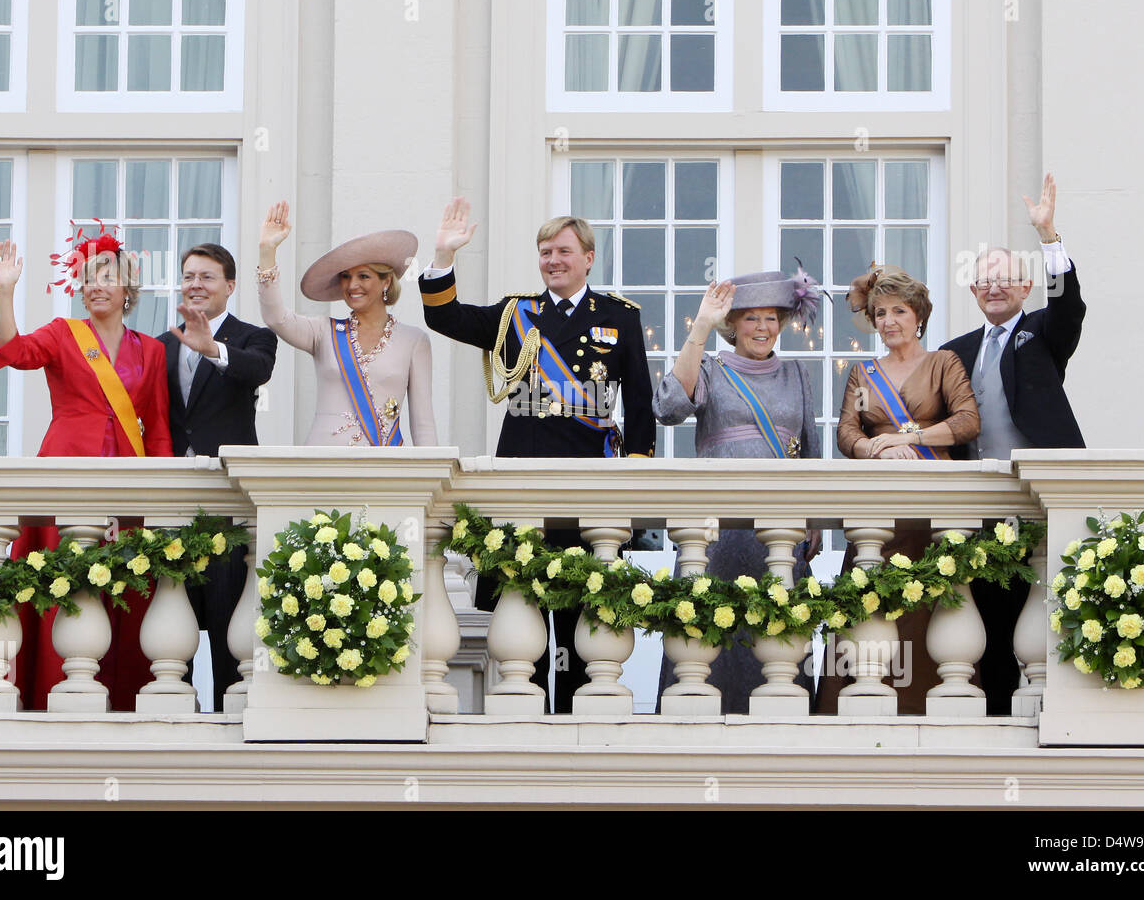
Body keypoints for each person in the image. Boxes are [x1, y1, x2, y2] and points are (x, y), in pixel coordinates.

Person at [418, 196, 656, 712]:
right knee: (521, 602)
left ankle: (577, 720)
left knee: (579, 610)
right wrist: (443, 258)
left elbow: (640, 404)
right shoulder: (515, 315)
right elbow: (446, 318)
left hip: (585, 485)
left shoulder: (619, 317)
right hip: (522, 481)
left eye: (564, 251)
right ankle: (522, 713)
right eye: (545, 252)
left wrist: (633, 481)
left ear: (588, 257)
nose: (553, 260)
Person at [0, 234, 172, 711]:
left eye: (107, 276)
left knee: (123, 591)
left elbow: (160, 429)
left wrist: (165, 499)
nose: (95, 286)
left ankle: (121, 700)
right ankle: (46, 696)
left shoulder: (152, 351)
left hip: (127, 483)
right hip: (65, 473)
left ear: (129, 289)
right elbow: (13, 351)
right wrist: (5, 291)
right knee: (60, 588)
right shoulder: (63, 334)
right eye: (87, 278)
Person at [940, 171, 1085, 715]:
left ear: (1025, 287)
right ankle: (998, 712)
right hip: (975, 505)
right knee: (989, 615)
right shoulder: (954, 351)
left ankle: (1054, 715)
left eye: (1004, 280)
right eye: (983, 282)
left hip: (1039, 499)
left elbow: (1071, 306)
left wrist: (1049, 237)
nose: (993, 288)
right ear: (973, 291)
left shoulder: (1046, 333)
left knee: (1048, 609)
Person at [651, 271, 822, 713]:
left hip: (779, 530)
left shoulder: (797, 374)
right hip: (718, 531)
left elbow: (811, 453)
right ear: (734, 325)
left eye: (770, 317)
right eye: (750, 318)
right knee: (709, 634)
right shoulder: (711, 367)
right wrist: (701, 327)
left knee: (779, 637)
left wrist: (816, 518)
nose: (762, 328)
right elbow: (668, 408)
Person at [818, 265, 981, 714]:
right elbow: (846, 433)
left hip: (933, 502)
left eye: (899, 311)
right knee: (872, 598)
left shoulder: (944, 363)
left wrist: (908, 439)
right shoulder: (862, 374)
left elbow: (968, 422)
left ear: (919, 316)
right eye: (881, 313)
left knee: (935, 602)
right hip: (879, 504)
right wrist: (874, 448)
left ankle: (929, 706)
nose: (890, 321)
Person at [158, 243, 277, 710]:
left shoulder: (253, 337)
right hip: (172, 500)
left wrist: (213, 350)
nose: (195, 285)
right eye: (189, 276)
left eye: (207, 277)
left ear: (229, 286)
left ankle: (231, 717)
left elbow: (258, 371)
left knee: (230, 619)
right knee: (172, 618)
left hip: (227, 501)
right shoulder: (163, 343)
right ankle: (173, 717)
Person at [256, 200, 436, 447]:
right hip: (323, 466)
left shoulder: (414, 341)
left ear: (386, 282)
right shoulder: (322, 332)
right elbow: (275, 317)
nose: (352, 285)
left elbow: (423, 423)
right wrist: (267, 251)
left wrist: (428, 479)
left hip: (385, 470)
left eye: (363, 276)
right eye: (345, 277)